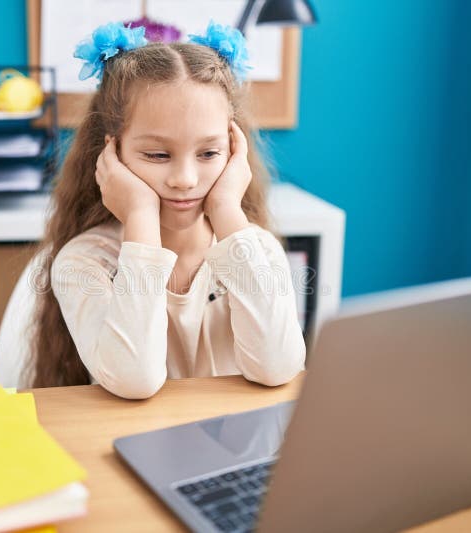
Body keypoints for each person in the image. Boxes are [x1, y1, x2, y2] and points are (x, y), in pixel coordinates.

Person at [22, 21, 306, 398]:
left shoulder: (254, 250)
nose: (185, 179)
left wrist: (226, 209)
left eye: (208, 153)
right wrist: (140, 218)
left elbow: (278, 368)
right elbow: (135, 380)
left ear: (234, 150)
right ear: (113, 153)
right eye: (157, 155)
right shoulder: (86, 262)